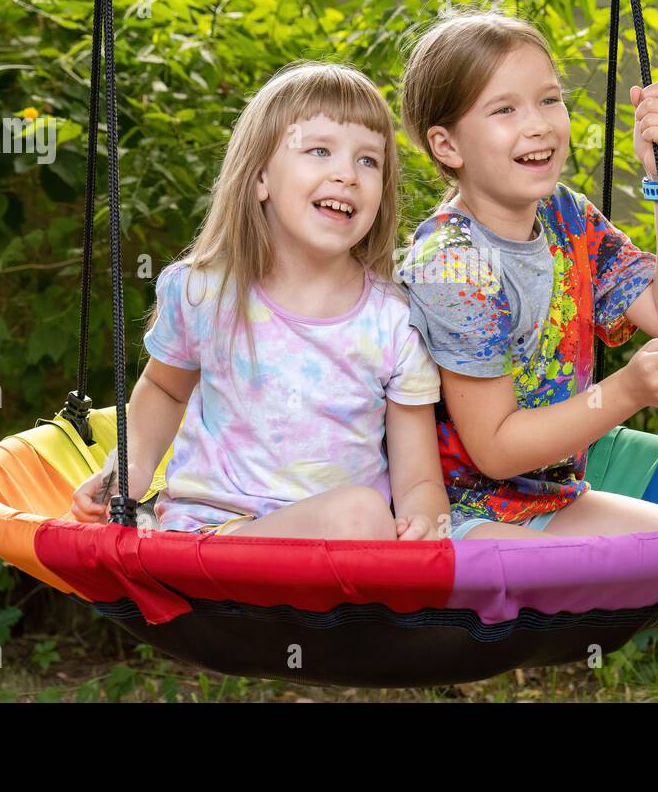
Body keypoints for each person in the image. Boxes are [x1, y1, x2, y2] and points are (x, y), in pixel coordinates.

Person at [70, 61, 448, 540]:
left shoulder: (393, 322)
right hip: (211, 537)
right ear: (260, 178)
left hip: (334, 559)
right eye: (319, 150)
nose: (347, 175)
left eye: (368, 161)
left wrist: (425, 517)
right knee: (361, 515)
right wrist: (127, 469)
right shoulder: (205, 293)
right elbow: (165, 390)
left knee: (367, 518)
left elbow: (417, 477)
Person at [396, 4, 658, 540]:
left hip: (554, 501)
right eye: (504, 110)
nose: (539, 125)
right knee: (585, 587)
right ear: (446, 145)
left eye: (549, 100)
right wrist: (629, 390)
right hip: (462, 518)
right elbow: (496, 450)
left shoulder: (567, 217)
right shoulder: (451, 263)